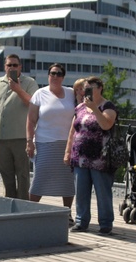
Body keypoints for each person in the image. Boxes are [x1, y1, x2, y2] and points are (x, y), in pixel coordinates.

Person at [65, 77, 118, 235]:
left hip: (100, 158)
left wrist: (95, 109)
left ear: (100, 88)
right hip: (80, 157)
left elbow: (106, 124)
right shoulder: (80, 107)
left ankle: (106, 223)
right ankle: (81, 221)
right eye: (84, 88)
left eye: (90, 88)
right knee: (81, 190)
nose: (85, 91)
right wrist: (67, 152)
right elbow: (73, 130)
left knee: (102, 191)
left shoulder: (107, 106)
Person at [0, 54, 38, 199]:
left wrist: (18, 89)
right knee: (5, 174)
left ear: (20, 67)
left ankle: (22, 205)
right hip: (1, 138)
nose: (12, 68)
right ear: (5, 67)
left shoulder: (29, 82)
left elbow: (34, 104)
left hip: (21, 137)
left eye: (15, 65)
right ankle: (10, 203)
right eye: (9, 65)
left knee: (22, 176)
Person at [26, 63, 75, 210]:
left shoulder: (71, 93)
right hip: (44, 142)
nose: (55, 76)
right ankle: (30, 211)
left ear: (63, 77)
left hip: (67, 144)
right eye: (52, 73)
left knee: (67, 181)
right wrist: (29, 141)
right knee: (39, 179)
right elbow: (30, 120)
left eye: (59, 74)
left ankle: (67, 213)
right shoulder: (39, 94)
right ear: (48, 76)